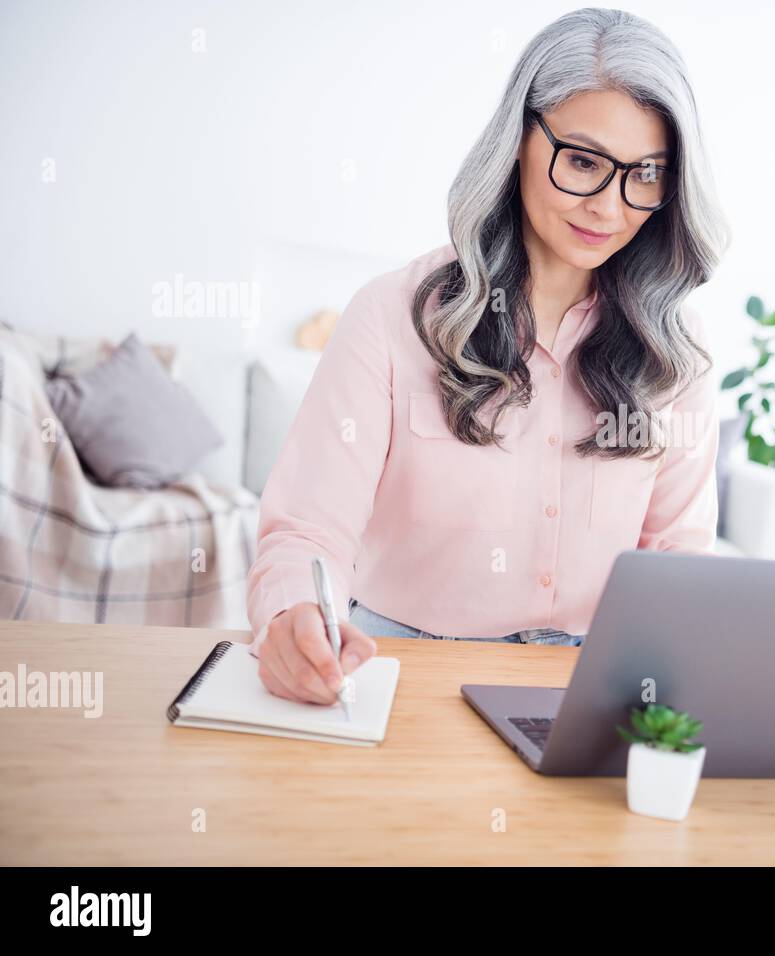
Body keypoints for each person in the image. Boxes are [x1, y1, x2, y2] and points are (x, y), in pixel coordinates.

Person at [244, 8, 731, 705]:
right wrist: (295, 614)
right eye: (585, 161)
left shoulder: (677, 353)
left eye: (646, 174)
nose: (610, 207)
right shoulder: (390, 316)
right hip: (402, 674)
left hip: (587, 692)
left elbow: (677, 559)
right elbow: (306, 529)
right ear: (518, 141)